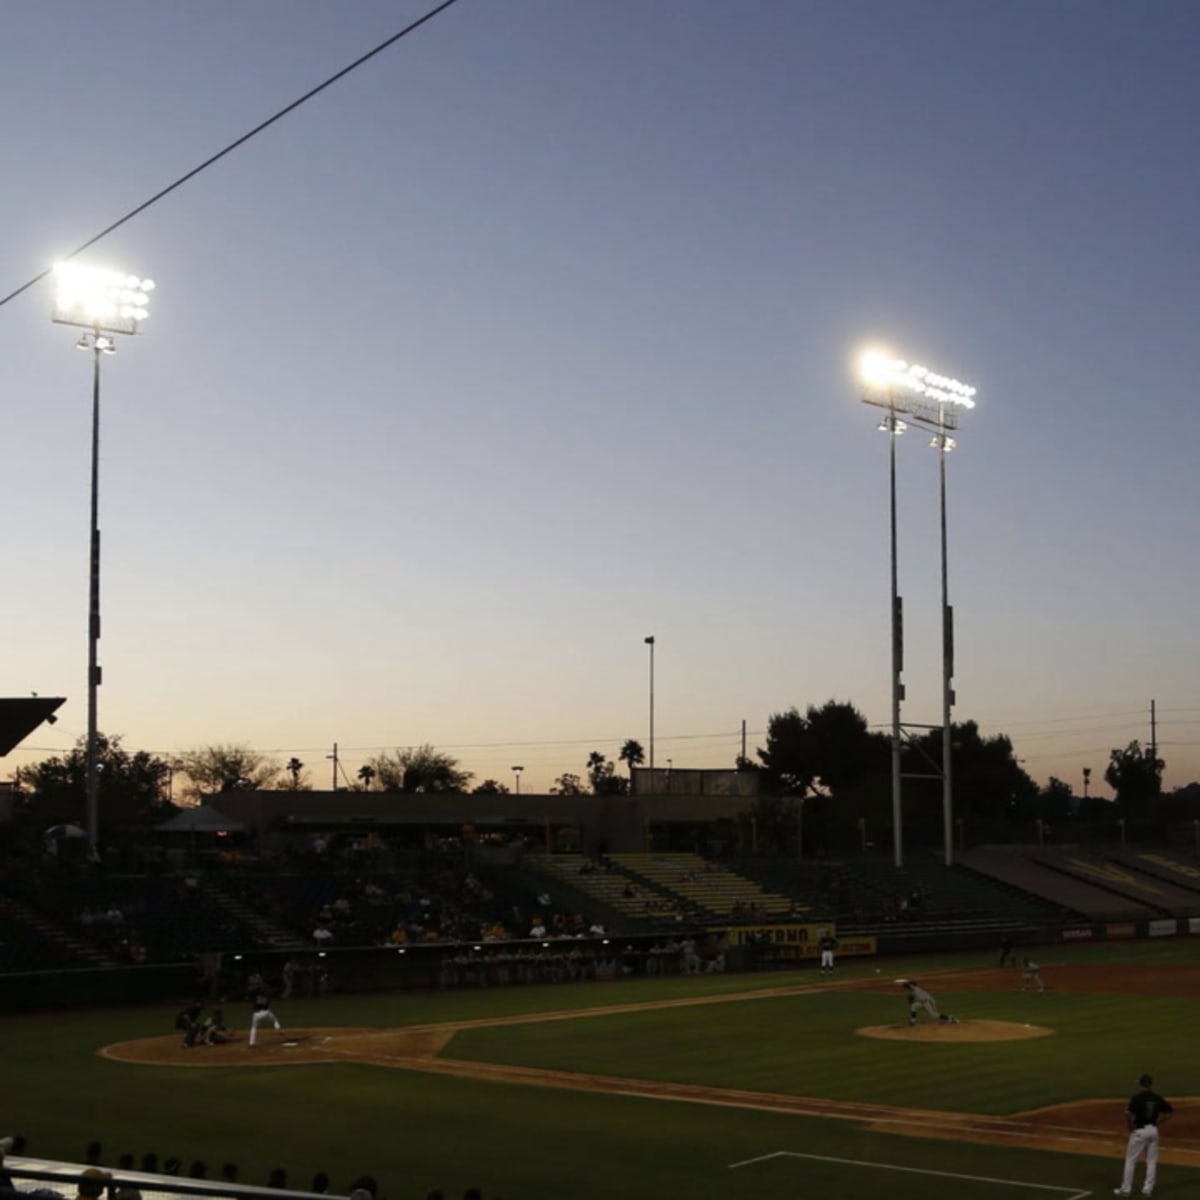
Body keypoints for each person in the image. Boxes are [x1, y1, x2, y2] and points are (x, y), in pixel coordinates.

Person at [1115, 1073, 1173, 1197]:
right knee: (1151, 1161)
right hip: (1153, 1131)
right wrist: (1158, 1122)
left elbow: (1127, 1114)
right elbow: (1169, 1113)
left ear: (1141, 1084)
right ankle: (1147, 1189)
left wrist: (1130, 1128)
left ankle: (1126, 1189)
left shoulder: (1137, 1098)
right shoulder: (1157, 1097)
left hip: (1139, 1132)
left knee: (1131, 1161)